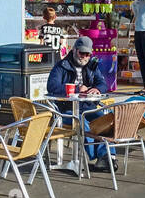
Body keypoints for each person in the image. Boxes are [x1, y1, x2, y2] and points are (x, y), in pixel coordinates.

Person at [47, 37, 113, 168]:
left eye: (88, 54)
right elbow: (52, 86)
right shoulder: (61, 66)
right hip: (66, 110)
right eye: (82, 53)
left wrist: (97, 89)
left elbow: (103, 84)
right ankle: (98, 157)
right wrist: (77, 89)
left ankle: (108, 156)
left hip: (87, 107)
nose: (84, 57)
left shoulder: (92, 66)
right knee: (83, 124)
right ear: (74, 50)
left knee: (106, 120)